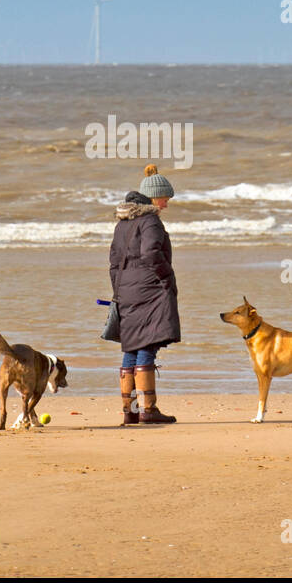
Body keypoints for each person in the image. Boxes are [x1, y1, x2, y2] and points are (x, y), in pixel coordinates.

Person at [109, 164, 180, 425]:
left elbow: (114, 262)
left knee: (131, 347)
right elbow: (152, 253)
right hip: (149, 290)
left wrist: (119, 290)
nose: (166, 204)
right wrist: (165, 277)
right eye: (165, 198)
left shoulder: (123, 223)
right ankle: (148, 410)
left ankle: (130, 412)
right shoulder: (150, 221)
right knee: (148, 344)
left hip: (126, 291)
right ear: (153, 197)